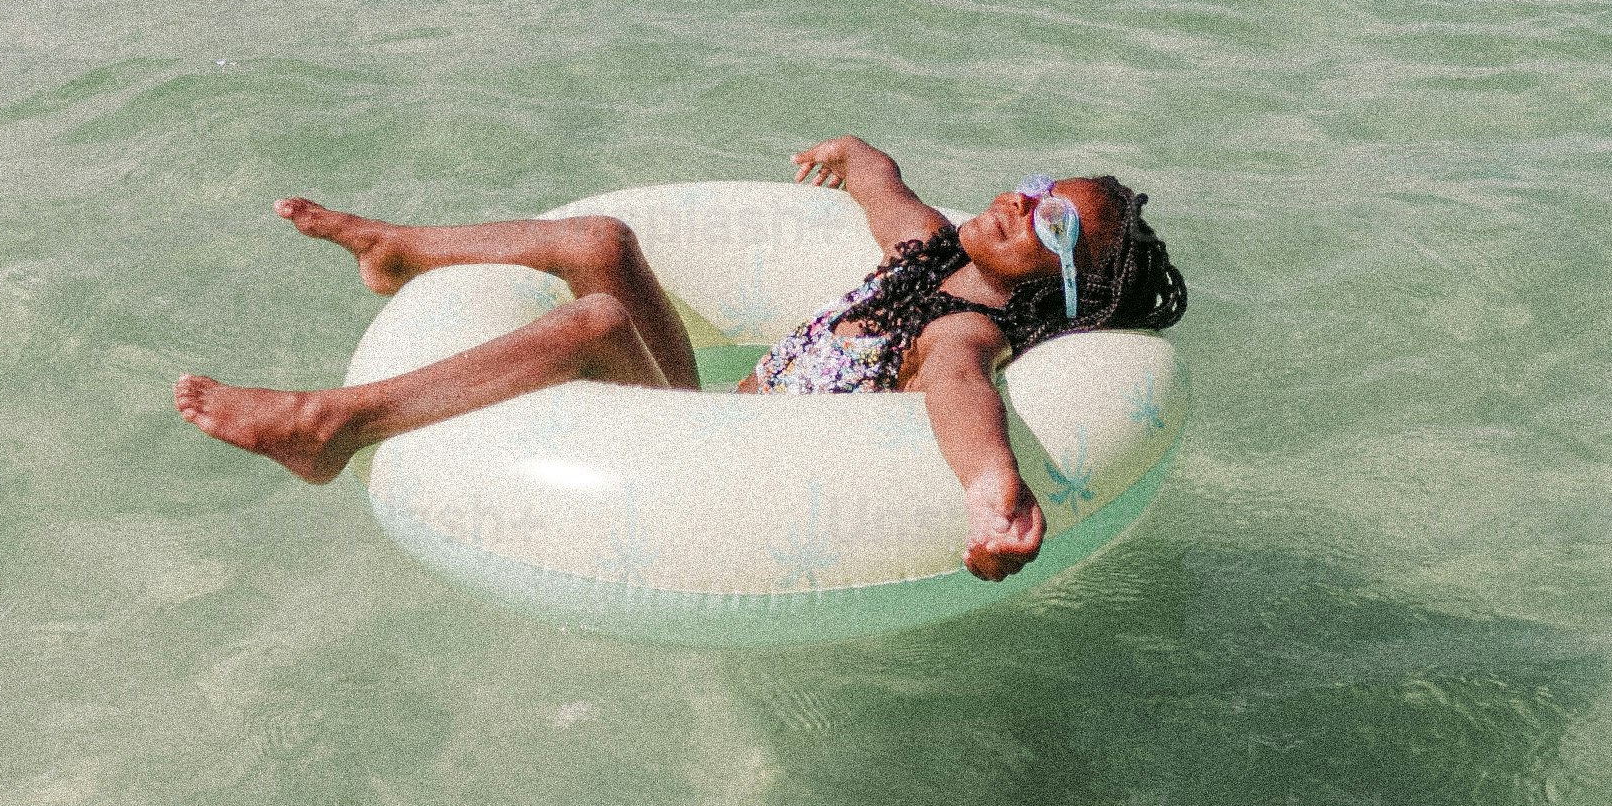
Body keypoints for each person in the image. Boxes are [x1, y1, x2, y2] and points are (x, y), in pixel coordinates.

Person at [173, 135, 1186, 582]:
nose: (1019, 202)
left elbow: (963, 398)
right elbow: (886, 185)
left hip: (720, 462)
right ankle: (396, 248)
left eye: (1052, 223)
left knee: (595, 321)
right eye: (1035, 183)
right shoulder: (927, 252)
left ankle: (332, 423)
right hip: (710, 408)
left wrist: (994, 493)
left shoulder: (963, 331)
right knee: (600, 241)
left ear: (1061, 285)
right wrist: (851, 152)